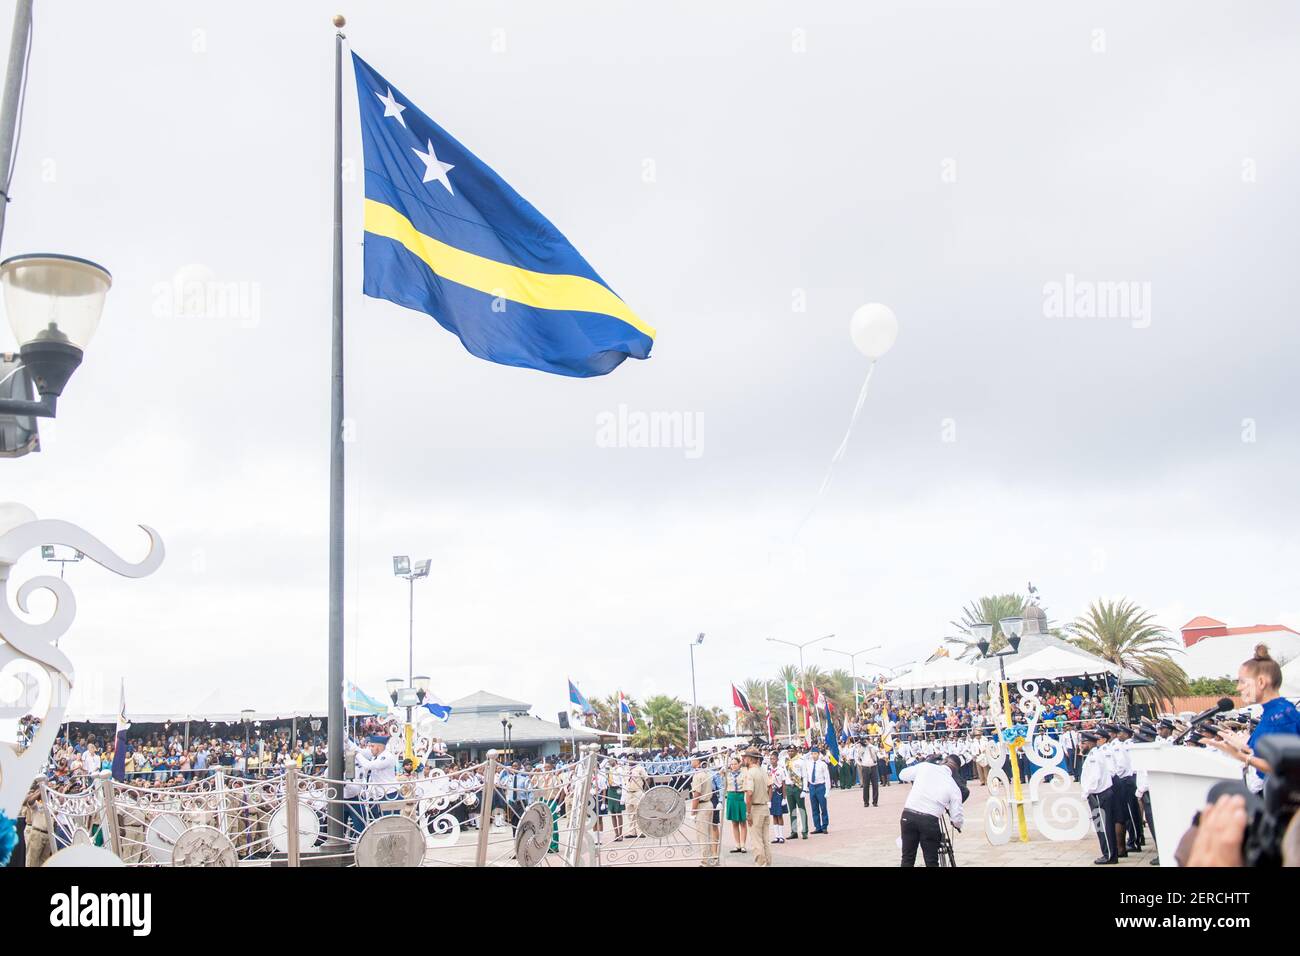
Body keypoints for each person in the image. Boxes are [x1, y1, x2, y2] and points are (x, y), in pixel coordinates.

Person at [1205, 643, 1300, 791]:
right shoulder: (1275, 713)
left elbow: (1284, 769)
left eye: (1243, 682)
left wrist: (1241, 756)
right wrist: (1245, 745)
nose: (1238, 688)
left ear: (1261, 682)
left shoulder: (1279, 718)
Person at [897, 756, 964, 867]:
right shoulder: (953, 787)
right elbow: (957, 817)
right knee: (931, 861)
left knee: (907, 858)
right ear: (956, 770)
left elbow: (902, 774)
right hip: (929, 821)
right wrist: (957, 824)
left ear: (944, 761)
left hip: (908, 816)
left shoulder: (925, 766)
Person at [1079, 731, 1117, 864]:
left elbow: (1095, 777)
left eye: (1083, 743)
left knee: (1103, 827)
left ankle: (1109, 855)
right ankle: (1109, 853)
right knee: (1102, 826)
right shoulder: (1093, 755)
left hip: (1099, 795)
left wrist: (1086, 792)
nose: (1081, 745)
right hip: (1098, 795)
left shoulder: (1094, 756)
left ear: (1089, 743)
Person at [742, 747, 772, 866]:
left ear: (750, 759)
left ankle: (761, 864)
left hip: (755, 808)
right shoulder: (762, 771)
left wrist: (748, 813)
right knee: (765, 840)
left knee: (757, 841)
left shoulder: (750, 773)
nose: (744, 759)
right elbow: (771, 787)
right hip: (764, 806)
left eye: (745, 757)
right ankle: (768, 863)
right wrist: (768, 801)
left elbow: (749, 793)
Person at [690, 755, 718, 866]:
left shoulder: (698, 775)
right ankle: (710, 858)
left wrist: (693, 811)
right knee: (709, 832)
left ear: (698, 761)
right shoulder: (706, 773)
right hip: (709, 803)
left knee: (702, 834)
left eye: (693, 759)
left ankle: (705, 860)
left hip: (702, 805)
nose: (691, 761)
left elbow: (696, 794)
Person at [724, 756, 748, 854]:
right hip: (731, 797)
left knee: (742, 822)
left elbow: (746, 787)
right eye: (732, 764)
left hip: (741, 797)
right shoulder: (727, 775)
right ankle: (737, 845)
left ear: (739, 764)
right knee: (734, 822)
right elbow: (725, 787)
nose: (733, 766)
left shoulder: (744, 774)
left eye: (735, 764)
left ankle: (743, 845)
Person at [783, 749, 809, 840]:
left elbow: (805, 776)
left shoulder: (801, 761)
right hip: (789, 787)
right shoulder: (785, 762)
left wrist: (805, 789)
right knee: (792, 811)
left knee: (802, 809)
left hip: (798, 787)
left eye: (792, 751)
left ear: (796, 752)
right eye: (789, 751)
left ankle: (804, 831)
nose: (790, 752)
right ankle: (794, 832)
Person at [805, 748, 830, 834]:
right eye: (812, 754)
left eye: (815, 754)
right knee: (814, 808)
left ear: (819, 754)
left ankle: (825, 826)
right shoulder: (808, 764)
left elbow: (827, 778)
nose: (813, 755)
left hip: (821, 786)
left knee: (823, 807)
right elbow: (807, 776)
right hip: (812, 787)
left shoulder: (823, 764)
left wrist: (827, 791)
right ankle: (817, 827)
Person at [768, 752, 788, 843]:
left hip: (779, 794)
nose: (772, 760)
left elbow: (783, 784)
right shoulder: (769, 770)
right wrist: (769, 800)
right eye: (771, 759)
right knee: (774, 815)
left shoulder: (781, 770)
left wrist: (784, 798)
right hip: (772, 794)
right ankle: (776, 836)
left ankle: (781, 836)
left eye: (774, 759)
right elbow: (769, 785)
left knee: (779, 815)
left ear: (777, 760)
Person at [858, 736, 879, 808]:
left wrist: (869, 745)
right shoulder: (861, 748)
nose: (865, 742)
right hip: (865, 768)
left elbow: (877, 750)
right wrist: (863, 746)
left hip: (873, 767)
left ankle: (875, 802)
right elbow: (858, 756)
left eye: (867, 740)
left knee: (875, 785)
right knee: (866, 786)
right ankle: (866, 802)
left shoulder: (873, 747)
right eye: (865, 740)